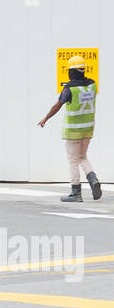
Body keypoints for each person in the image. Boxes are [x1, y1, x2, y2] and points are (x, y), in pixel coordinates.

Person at [38, 55, 102, 202]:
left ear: (71, 71)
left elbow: (57, 106)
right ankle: (93, 179)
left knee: (73, 160)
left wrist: (45, 118)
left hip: (73, 131)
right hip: (88, 129)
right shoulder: (93, 85)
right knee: (82, 157)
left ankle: (76, 192)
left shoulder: (70, 88)